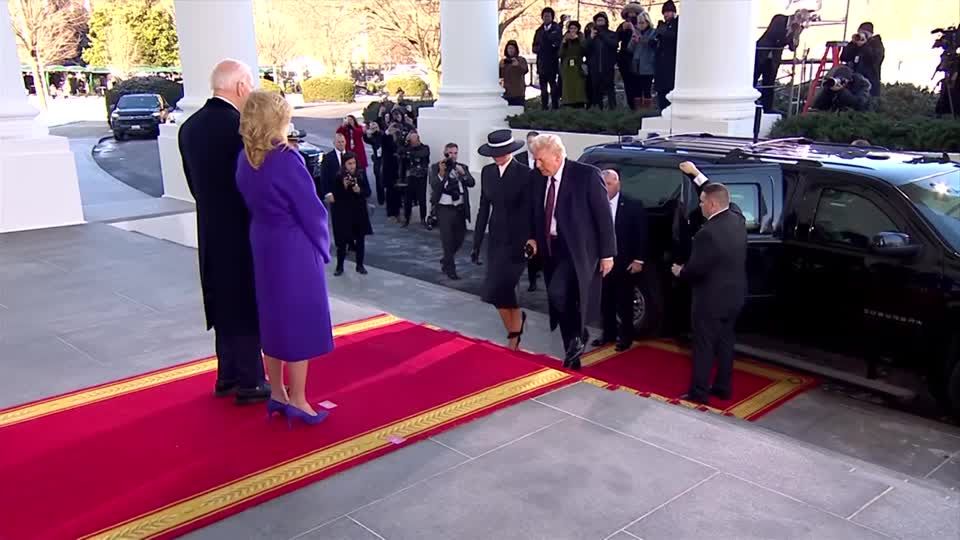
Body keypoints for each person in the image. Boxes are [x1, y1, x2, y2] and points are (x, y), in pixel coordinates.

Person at [236, 90, 333, 425]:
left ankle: (277, 392)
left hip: (263, 241)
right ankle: (300, 401)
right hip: (293, 246)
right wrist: (323, 245)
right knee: (299, 320)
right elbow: (310, 210)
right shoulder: (285, 158)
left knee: (273, 318)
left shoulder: (246, 157)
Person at [177, 59, 269, 404]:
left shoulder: (189, 127)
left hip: (210, 228)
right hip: (242, 229)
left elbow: (193, 185)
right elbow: (254, 182)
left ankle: (227, 374)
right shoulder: (239, 128)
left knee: (222, 300)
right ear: (242, 87)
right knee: (244, 303)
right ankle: (250, 380)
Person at [528, 134, 616, 370]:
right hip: (550, 247)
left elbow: (603, 217)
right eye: (535, 160)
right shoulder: (538, 177)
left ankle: (577, 335)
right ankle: (573, 349)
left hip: (577, 249)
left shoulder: (585, 175)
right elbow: (534, 210)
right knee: (561, 300)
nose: (537, 165)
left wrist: (608, 254)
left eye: (540, 160)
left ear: (557, 157)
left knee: (559, 293)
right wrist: (533, 237)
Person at [671, 162, 747, 405]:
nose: (700, 204)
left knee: (703, 346)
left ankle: (699, 392)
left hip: (710, 300)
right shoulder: (737, 218)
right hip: (734, 297)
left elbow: (696, 270)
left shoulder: (707, 233)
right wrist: (696, 175)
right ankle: (723, 387)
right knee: (725, 342)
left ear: (712, 204)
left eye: (702, 201)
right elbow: (716, 192)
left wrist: (679, 271)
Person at [473, 130, 534, 351]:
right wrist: (477, 241)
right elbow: (483, 207)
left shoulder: (525, 174)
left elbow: (532, 210)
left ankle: (514, 336)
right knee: (493, 291)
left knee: (507, 287)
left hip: (518, 240)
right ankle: (514, 328)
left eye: (502, 152)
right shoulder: (487, 172)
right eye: (494, 153)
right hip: (496, 238)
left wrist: (531, 239)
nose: (497, 156)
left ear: (511, 150)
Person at [593, 169, 648, 351]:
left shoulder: (632, 205)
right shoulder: (595, 203)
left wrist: (639, 260)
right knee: (605, 300)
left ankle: (626, 336)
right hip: (602, 260)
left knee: (624, 301)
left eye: (608, 184)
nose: (605, 188)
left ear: (618, 184)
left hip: (624, 261)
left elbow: (641, 235)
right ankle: (608, 334)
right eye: (603, 184)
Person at [429, 143, 476, 280]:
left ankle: (446, 259)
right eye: (450, 153)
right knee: (447, 240)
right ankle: (451, 269)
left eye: (455, 153)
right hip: (444, 208)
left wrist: (463, 174)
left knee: (460, 238)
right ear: (445, 153)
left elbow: (471, 183)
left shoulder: (462, 167)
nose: (453, 156)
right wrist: (441, 173)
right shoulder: (436, 167)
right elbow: (434, 186)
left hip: (459, 208)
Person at [331, 151, 373, 276]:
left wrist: (359, 190)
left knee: (360, 240)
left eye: (354, 163)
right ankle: (340, 266)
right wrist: (344, 187)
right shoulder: (339, 176)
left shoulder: (360, 174)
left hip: (359, 212)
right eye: (349, 164)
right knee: (342, 241)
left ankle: (360, 265)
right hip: (344, 213)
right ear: (344, 164)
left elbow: (368, 192)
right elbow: (335, 196)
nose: (352, 166)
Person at [513, 131, 541, 291]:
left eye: (534, 142)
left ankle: (533, 278)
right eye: (529, 142)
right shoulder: (519, 159)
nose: (532, 145)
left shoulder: (543, 159)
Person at [841, 22, 885, 97]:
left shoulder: (876, 44)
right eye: (860, 32)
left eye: (865, 33)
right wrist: (852, 44)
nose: (862, 35)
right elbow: (843, 57)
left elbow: (874, 59)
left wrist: (864, 45)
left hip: (870, 82)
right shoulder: (855, 45)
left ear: (871, 34)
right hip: (854, 81)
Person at [585, 12, 619, 109]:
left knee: (610, 89)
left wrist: (602, 35)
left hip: (607, 66)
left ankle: (613, 110)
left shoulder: (611, 34)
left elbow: (614, 44)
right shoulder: (592, 36)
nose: (600, 22)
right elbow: (585, 48)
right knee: (596, 89)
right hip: (594, 67)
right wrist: (591, 37)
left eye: (602, 20)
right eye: (598, 20)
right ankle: (597, 109)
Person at [398, 129, 431, 228]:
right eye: (410, 140)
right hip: (410, 177)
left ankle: (423, 219)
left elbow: (421, 154)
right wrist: (405, 143)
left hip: (421, 176)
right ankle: (407, 219)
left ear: (418, 139)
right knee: (408, 199)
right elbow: (400, 152)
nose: (412, 142)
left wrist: (408, 153)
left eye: (413, 140)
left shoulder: (425, 148)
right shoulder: (407, 147)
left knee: (422, 199)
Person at [533, 7, 563, 110]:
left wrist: (550, 45)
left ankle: (555, 106)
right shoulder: (539, 31)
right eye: (545, 16)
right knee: (543, 89)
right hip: (541, 62)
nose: (546, 18)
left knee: (553, 87)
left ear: (552, 17)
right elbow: (534, 46)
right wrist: (539, 48)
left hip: (552, 62)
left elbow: (558, 44)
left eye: (548, 16)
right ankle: (544, 107)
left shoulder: (557, 29)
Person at [627, 10, 657, 109]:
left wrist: (641, 39)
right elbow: (630, 49)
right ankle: (637, 112)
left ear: (648, 22)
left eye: (643, 22)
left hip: (648, 65)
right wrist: (633, 40)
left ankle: (647, 112)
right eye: (639, 23)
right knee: (637, 91)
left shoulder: (653, 32)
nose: (641, 25)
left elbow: (653, 44)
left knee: (646, 90)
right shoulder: (637, 32)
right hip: (636, 65)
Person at [653, 0, 679, 110]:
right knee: (661, 92)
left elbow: (673, 37)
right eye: (665, 12)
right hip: (660, 64)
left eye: (669, 12)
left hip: (672, 63)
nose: (666, 15)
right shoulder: (662, 26)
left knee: (669, 89)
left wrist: (663, 31)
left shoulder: (677, 24)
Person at [559, 20, 588, 109]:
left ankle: (579, 102)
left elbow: (585, 50)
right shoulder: (565, 37)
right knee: (568, 86)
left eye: (575, 28)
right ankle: (568, 102)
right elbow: (560, 54)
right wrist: (564, 42)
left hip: (578, 65)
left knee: (579, 86)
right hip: (567, 66)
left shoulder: (581, 37)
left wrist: (577, 40)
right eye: (571, 28)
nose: (572, 30)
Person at [318, 133, 347, 201]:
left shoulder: (351, 155)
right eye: (339, 142)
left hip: (349, 192)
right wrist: (327, 193)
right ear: (334, 143)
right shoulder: (327, 158)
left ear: (345, 142)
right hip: (335, 193)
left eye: (342, 141)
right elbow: (324, 177)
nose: (341, 144)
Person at [500, 40, 529, 106]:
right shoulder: (504, 62)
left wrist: (517, 66)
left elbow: (525, 70)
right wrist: (501, 67)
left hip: (518, 93)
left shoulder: (521, 60)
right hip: (507, 92)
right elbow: (501, 75)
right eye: (509, 48)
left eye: (512, 48)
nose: (510, 50)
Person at [363, 121, 385, 206]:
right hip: (377, 160)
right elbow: (366, 139)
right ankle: (381, 198)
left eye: (375, 126)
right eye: (372, 127)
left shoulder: (382, 134)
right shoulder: (372, 137)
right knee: (378, 179)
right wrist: (366, 133)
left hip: (384, 159)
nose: (374, 128)